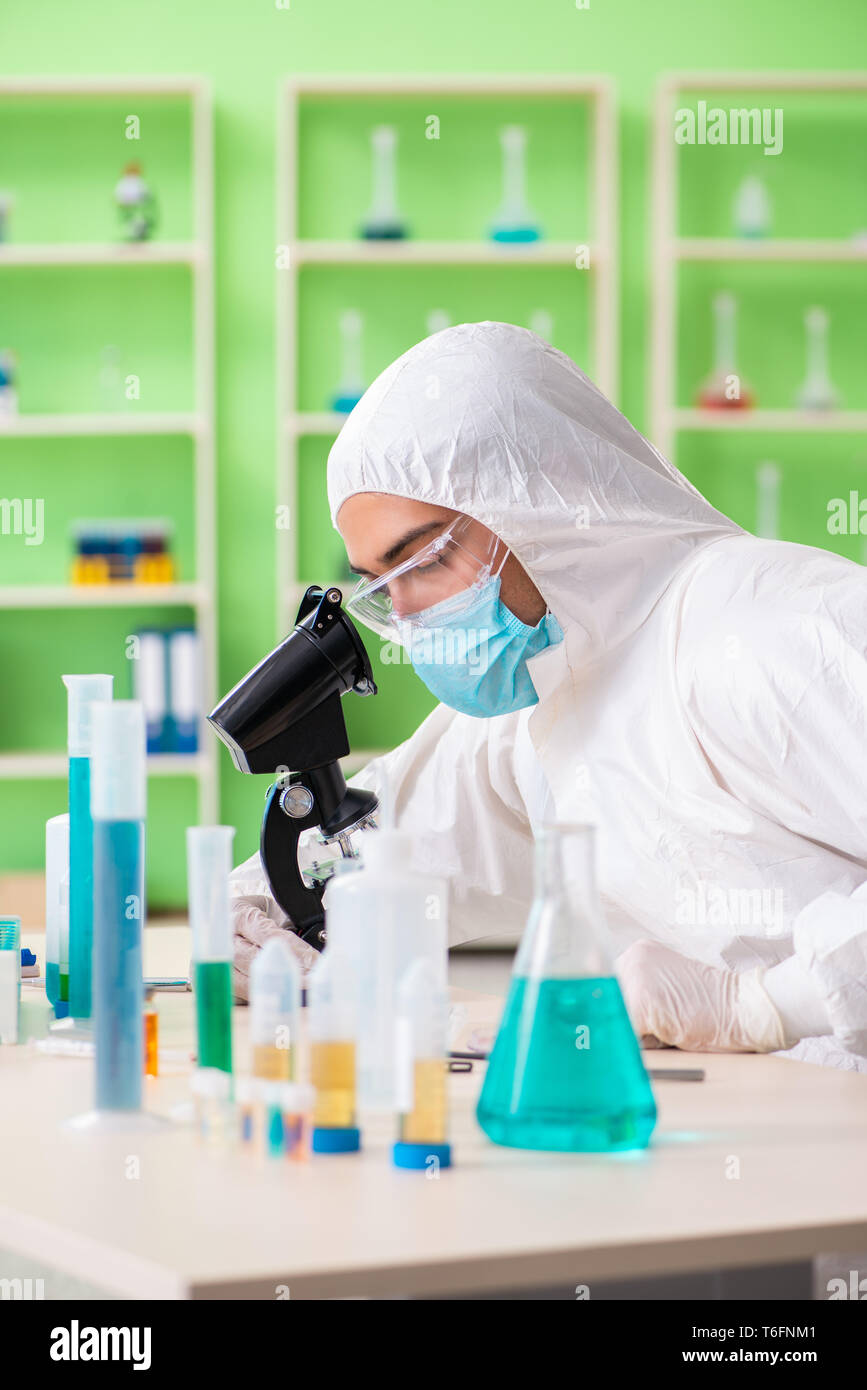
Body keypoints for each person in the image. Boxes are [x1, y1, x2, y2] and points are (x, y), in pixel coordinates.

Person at [230, 321, 867, 1071]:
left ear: (545, 499)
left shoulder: (774, 626)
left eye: (424, 560)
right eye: (380, 585)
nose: (403, 618)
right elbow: (369, 846)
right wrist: (245, 915)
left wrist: (762, 1006)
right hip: (785, 1133)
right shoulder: (545, 690)